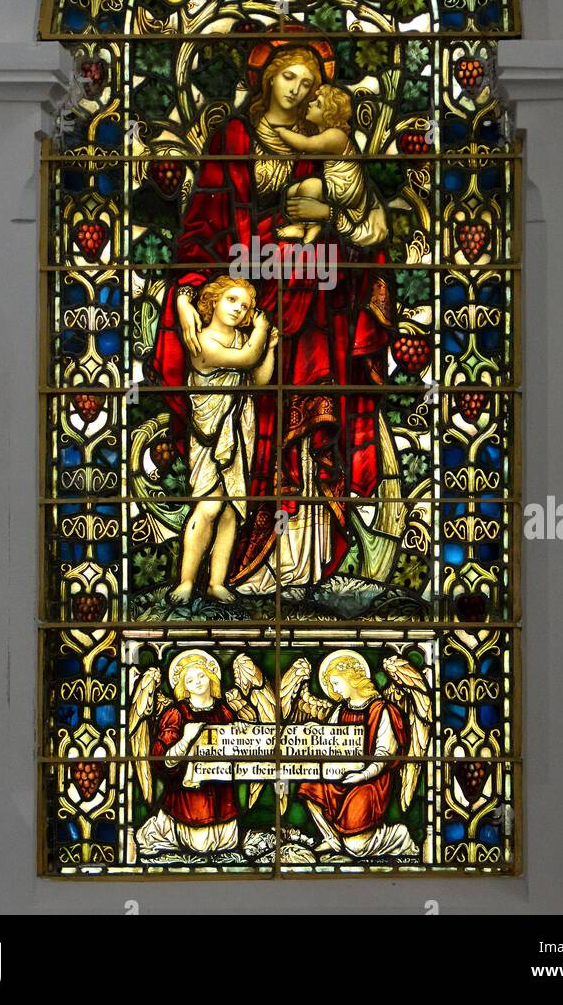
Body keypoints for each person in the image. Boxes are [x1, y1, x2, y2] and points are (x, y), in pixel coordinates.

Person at [150, 38, 393, 595]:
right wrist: (190, 291)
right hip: (248, 295)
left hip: (313, 302)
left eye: (309, 83)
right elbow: (201, 228)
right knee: (252, 422)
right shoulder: (233, 138)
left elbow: (360, 225)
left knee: (309, 423)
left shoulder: (320, 143)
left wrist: (326, 214)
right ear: (268, 79)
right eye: (289, 77)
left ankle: (300, 562)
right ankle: (242, 568)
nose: (298, 89)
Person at [171, 276, 278, 604]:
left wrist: (269, 348)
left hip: (239, 434)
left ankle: (217, 583)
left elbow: (257, 378)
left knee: (232, 509)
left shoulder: (246, 340)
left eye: (244, 306)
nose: (237, 309)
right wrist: (261, 332)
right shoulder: (202, 342)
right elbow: (246, 360)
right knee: (209, 506)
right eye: (231, 300)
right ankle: (186, 581)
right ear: (213, 301)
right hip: (209, 437)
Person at [296, 651, 418, 859]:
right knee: (309, 787)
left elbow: (385, 754)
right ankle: (333, 840)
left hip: (371, 781)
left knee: (358, 848)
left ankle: (398, 836)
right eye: (331, 685)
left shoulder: (381, 710)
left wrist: (362, 775)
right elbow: (330, 741)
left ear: (351, 680)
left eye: (337, 683)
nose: (334, 690)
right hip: (342, 774)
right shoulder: (340, 710)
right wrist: (314, 732)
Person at [135, 652, 239, 857]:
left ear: (211, 676)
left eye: (201, 675)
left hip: (222, 794)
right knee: (199, 846)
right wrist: (186, 739)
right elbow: (162, 761)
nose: (197, 682)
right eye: (190, 680)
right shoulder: (176, 713)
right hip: (188, 800)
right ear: (184, 686)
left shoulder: (225, 712)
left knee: (228, 842)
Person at [274, 85, 372, 244]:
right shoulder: (328, 135)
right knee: (291, 191)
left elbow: (306, 144)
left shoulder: (335, 135)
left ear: (329, 115)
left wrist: (282, 132)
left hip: (345, 189)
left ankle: (309, 226)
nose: (311, 104)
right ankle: (302, 224)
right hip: (334, 185)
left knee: (311, 186)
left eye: (318, 104)